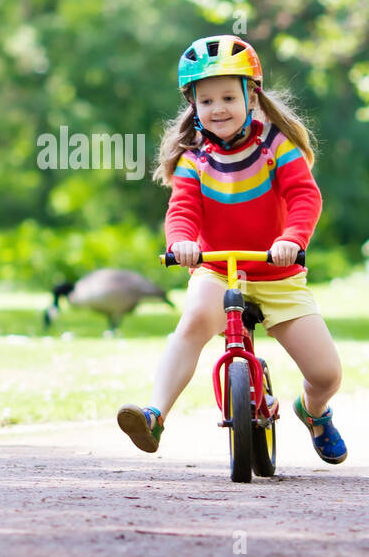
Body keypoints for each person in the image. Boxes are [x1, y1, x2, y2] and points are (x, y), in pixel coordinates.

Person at [116, 35, 347, 464]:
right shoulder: (194, 159)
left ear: (251, 96)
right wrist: (181, 243)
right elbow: (182, 209)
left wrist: (290, 240)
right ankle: (154, 416)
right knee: (195, 320)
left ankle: (313, 412)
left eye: (227, 96)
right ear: (193, 106)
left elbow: (304, 198)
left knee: (325, 373)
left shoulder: (277, 146)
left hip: (277, 272)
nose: (217, 108)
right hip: (218, 268)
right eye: (205, 101)